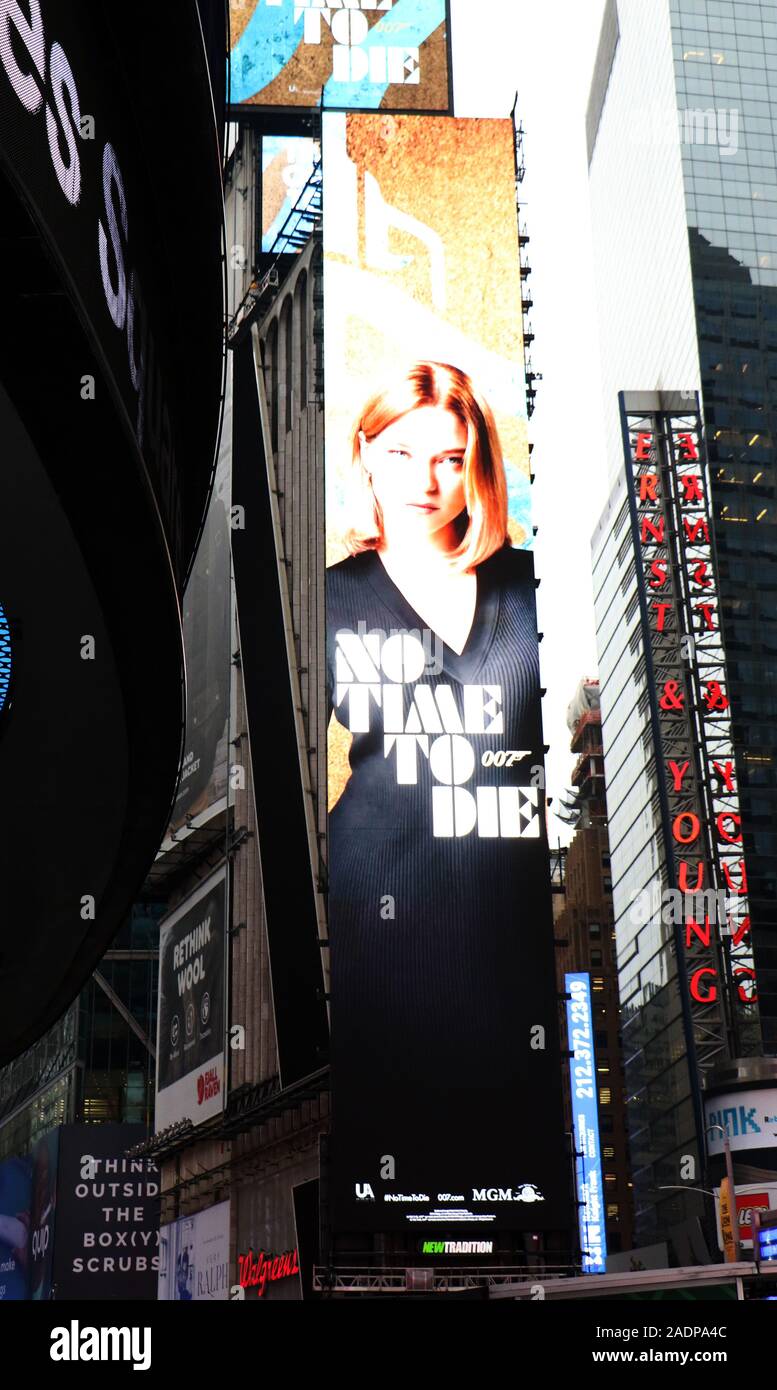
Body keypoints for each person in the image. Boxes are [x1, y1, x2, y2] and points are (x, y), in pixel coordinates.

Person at [326, 361, 547, 1203]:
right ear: (364, 455)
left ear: (479, 465)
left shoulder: (530, 586)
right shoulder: (334, 597)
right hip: (375, 910)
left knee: (515, 1176)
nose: (425, 480)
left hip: (505, 919)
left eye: (451, 458)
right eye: (400, 453)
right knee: (391, 1167)